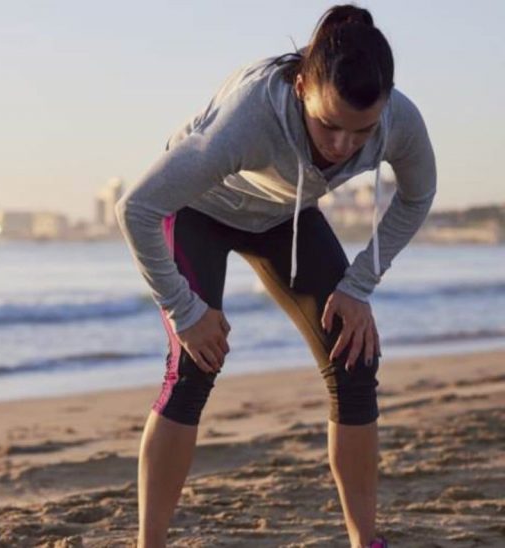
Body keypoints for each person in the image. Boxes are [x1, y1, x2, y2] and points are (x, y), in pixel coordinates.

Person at [115, 4, 436, 547]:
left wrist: (359, 285)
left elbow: (417, 195)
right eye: (328, 125)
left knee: (354, 356)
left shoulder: (398, 120)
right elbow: (136, 209)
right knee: (193, 366)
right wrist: (185, 312)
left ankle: (366, 542)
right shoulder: (250, 117)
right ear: (303, 86)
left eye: (361, 132)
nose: (342, 147)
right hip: (198, 209)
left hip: (283, 216)